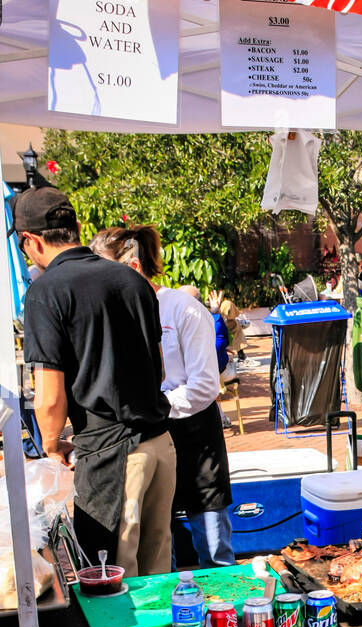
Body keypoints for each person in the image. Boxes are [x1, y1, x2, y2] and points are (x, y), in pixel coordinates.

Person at [15, 187, 175, 576]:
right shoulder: (132, 280)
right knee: (156, 572)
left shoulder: (45, 292)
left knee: (112, 579)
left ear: (30, 241)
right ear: (77, 228)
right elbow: (160, 369)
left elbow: (49, 395)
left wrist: (50, 447)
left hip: (112, 456)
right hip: (160, 444)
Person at [92, 226, 235, 568]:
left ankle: (225, 616)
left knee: (213, 547)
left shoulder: (184, 310)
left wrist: (153, 406)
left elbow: (204, 385)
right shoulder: (114, 314)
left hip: (195, 436)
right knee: (156, 547)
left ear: (134, 268)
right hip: (146, 438)